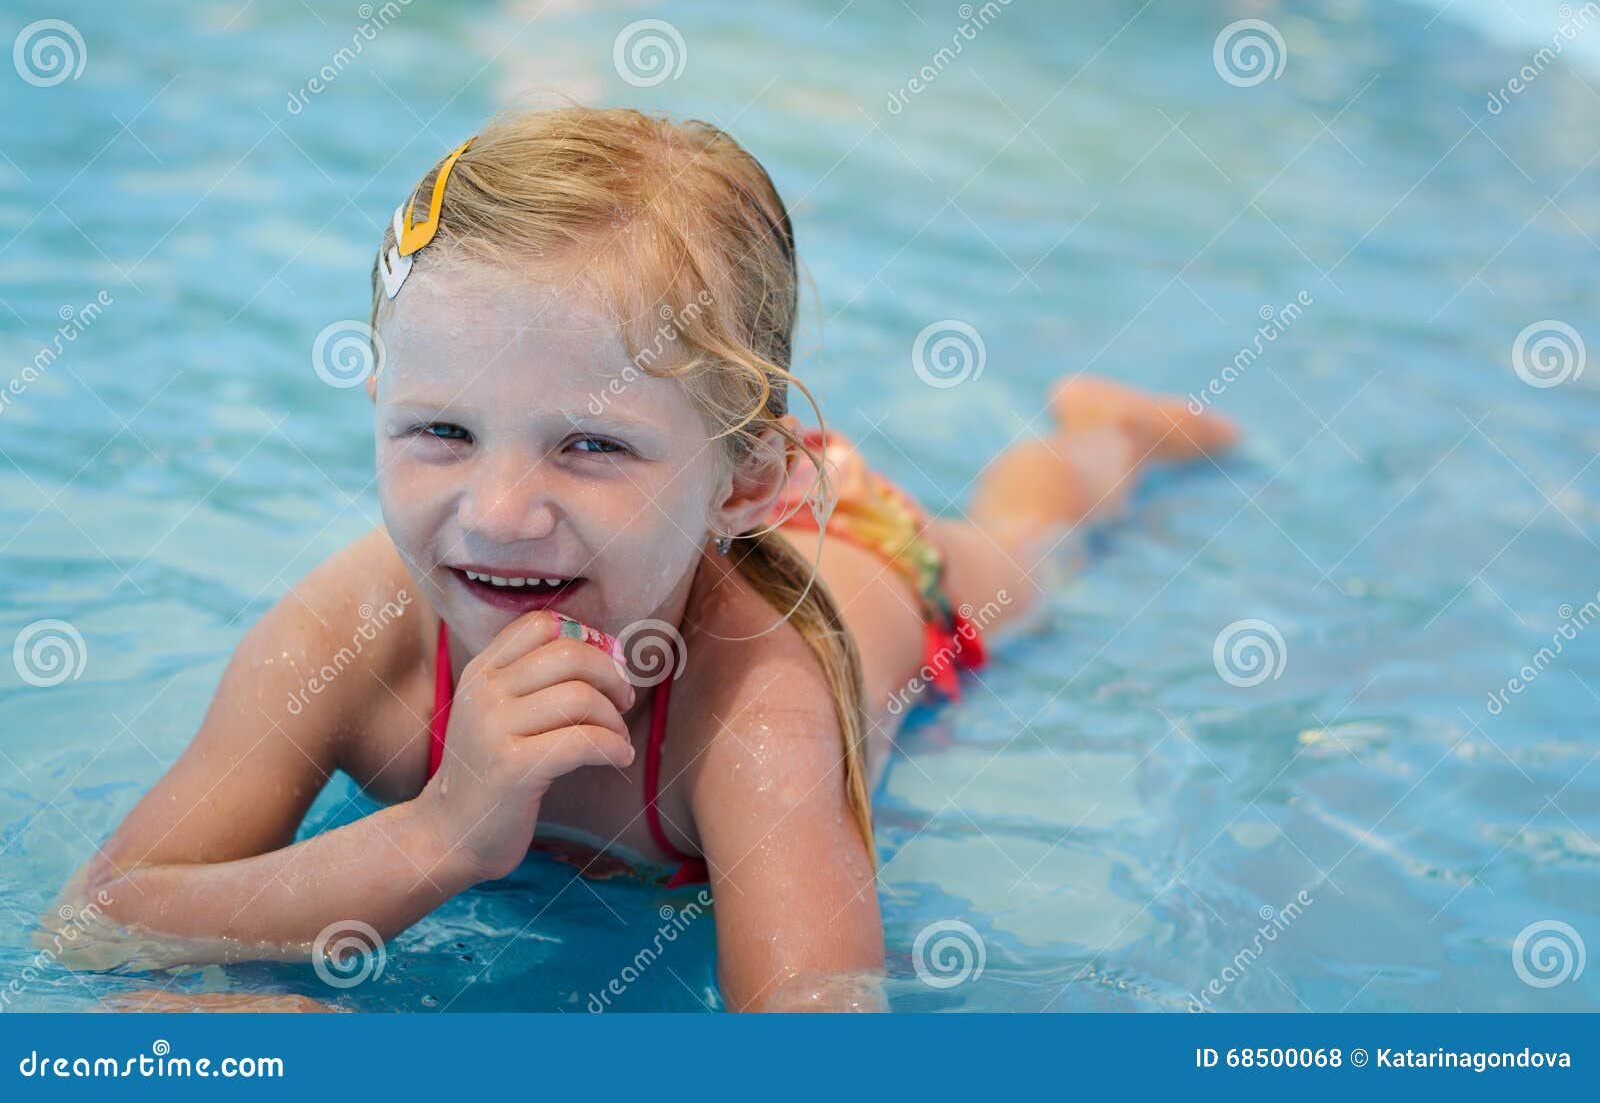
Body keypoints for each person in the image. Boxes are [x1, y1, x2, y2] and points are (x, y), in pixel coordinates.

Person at [63, 105, 1237, 1011]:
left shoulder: (753, 707)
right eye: (441, 432)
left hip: (877, 559)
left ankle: (1101, 433)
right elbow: (98, 926)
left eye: (589, 444)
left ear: (740, 481)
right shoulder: (341, 642)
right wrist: (439, 835)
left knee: (1040, 542)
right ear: (376, 408)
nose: (502, 511)